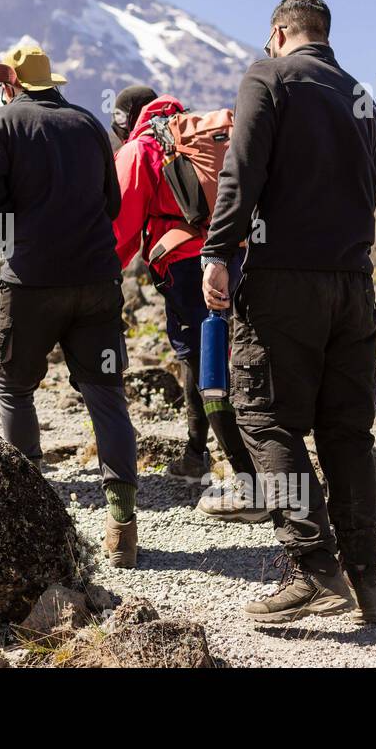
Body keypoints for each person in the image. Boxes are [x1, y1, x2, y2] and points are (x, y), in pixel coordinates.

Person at [201, 0, 376, 623]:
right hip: (354, 285)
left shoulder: (269, 77)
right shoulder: (361, 93)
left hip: (284, 283)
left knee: (265, 418)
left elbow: (241, 171)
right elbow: (372, 186)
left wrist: (217, 251)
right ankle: (368, 584)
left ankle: (313, 571)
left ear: (279, 34)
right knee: (347, 432)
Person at [0, 45, 140, 569]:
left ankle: (33, 511)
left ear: (11, 83)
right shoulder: (88, 123)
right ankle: (123, 527)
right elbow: (113, 203)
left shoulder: (0, 123)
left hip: (32, 282)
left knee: (15, 388)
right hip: (98, 280)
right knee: (106, 395)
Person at [111, 88, 267, 523]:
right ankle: (200, 455)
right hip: (242, 255)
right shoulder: (207, 136)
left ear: (124, 120)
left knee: (206, 364)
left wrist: (106, 273)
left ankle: (247, 479)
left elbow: (122, 225)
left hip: (187, 269)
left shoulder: (143, 148)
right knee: (235, 357)